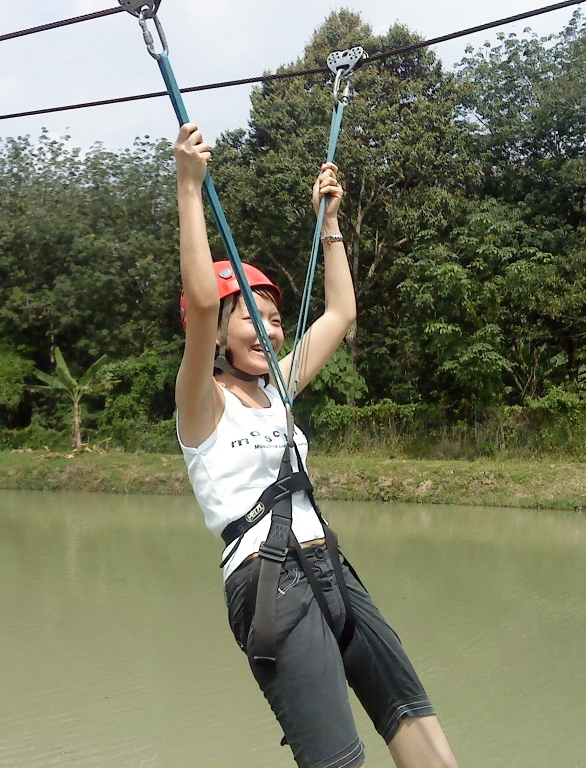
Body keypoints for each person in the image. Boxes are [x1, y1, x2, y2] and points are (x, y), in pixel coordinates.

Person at [173, 121, 458, 768]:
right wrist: (190, 187)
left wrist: (329, 223)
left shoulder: (279, 387)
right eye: (251, 316)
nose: (270, 330)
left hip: (329, 564)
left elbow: (341, 315)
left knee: (416, 721)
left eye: (275, 320)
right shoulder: (201, 402)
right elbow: (201, 301)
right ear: (215, 335)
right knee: (338, 760)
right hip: (266, 579)